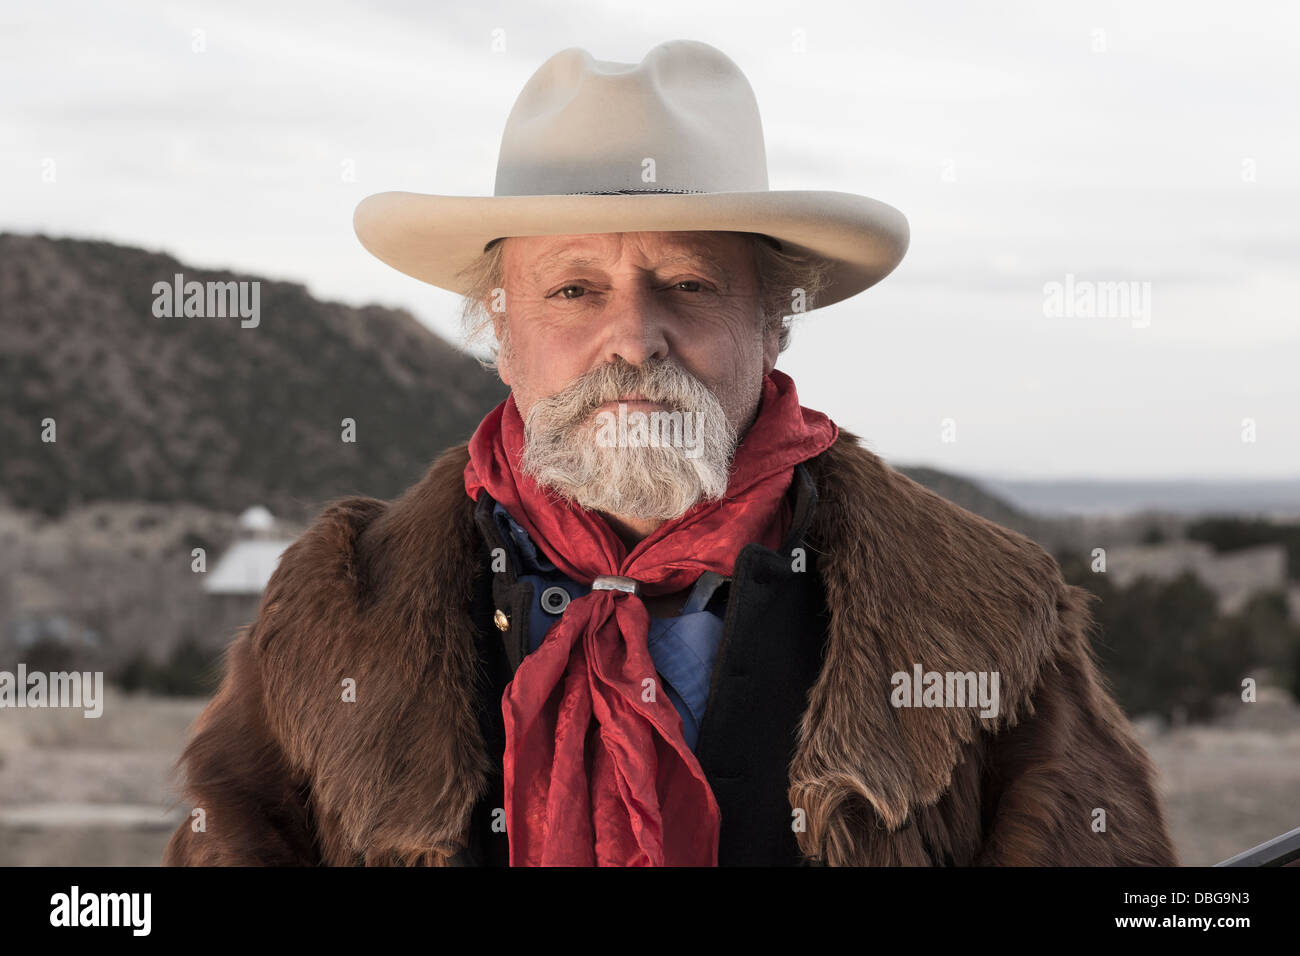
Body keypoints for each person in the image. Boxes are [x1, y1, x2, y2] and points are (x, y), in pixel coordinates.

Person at [164, 39, 1177, 867]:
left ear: (773, 322)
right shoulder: (338, 607)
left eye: (688, 283)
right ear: (499, 327)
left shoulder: (982, 610)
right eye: (573, 290)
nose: (634, 338)